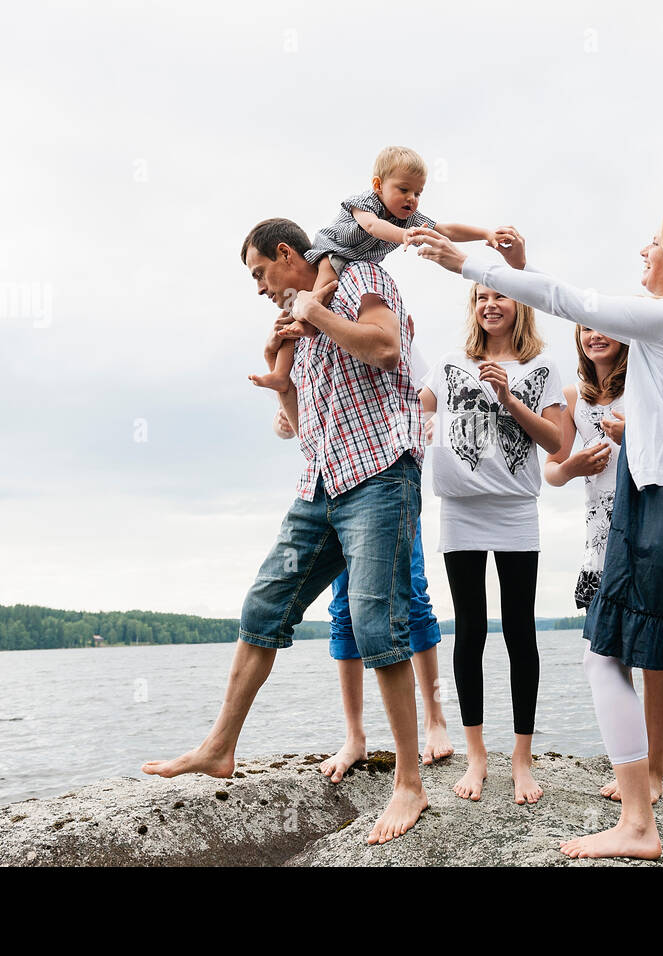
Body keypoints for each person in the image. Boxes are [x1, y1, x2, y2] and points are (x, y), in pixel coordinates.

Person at [409, 214, 663, 860]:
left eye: (653, 243)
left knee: (602, 656)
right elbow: (568, 301)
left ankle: (636, 823)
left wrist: (462, 264)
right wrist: (519, 271)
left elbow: (571, 302)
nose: (643, 249)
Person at [143, 218, 429, 846]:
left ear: (285, 254)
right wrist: (284, 385)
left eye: (259, 274)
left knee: (378, 621)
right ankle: (219, 746)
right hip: (320, 486)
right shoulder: (301, 325)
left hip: (381, 476)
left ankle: (409, 779)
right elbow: (307, 427)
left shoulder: (362, 279)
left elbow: (384, 349)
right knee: (262, 607)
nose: (258, 288)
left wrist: (314, 313)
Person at [269, 331, 454, 781]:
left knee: (411, 597)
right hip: (336, 489)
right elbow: (295, 424)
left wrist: (423, 420)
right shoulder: (308, 344)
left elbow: (427, 389)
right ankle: (355, 735)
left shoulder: (379, 325)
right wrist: (284, 410)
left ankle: (435, 718)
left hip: (389, 484)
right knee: (344, 609)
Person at [417, 269, 566, 805]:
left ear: (518, 303)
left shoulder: (541, 367)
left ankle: (522, 759)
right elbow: (419, 406)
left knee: (520, 631)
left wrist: (508, 398)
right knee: (471, 631)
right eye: (481, 296)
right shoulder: (452, 362)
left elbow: (556, 444)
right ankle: (477, 755)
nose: (489, 303)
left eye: (499, 294)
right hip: (460, 510)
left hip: (515, 510)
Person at [544, 327, 663, 807]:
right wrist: (572, 467)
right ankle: (631, 767)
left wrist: (633, 435)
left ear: (623, 336)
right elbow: (553, 469)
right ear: (576, 336)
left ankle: (655, 771)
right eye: (585, 328)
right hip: (600, 546)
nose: (595, 335)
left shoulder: (646, 385)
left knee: (653, 658)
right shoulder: (572, 398)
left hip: (648, 535)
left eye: (604, 327)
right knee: (608, 656)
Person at [249, 146, 500, 394]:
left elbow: (446, 230)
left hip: (352, 261)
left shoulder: (407, 219)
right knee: (316, 295)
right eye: (403, 189)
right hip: (333, 250)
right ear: (379, 185)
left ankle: (295, 346)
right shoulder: (364, 203)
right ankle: (283, 369)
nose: (411, 198)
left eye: (418, 193)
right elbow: (371, 226)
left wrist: (485, 233)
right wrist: (406, 235)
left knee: (304, 308)